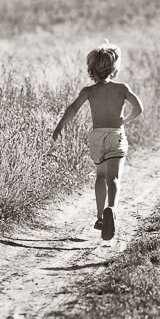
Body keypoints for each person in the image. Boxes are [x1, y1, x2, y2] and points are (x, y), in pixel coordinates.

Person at [52, 42, 143, 240]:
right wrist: (125, 120)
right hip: (115, 135)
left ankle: (101, 217)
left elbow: (73, 109)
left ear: (92, 69)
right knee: (114, 178)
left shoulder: (88, 91)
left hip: (97, 136)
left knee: (100, 176)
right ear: (114, 68)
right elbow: (138, 108)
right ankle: (112, 209)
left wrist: (59, 127)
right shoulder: (122, 88)